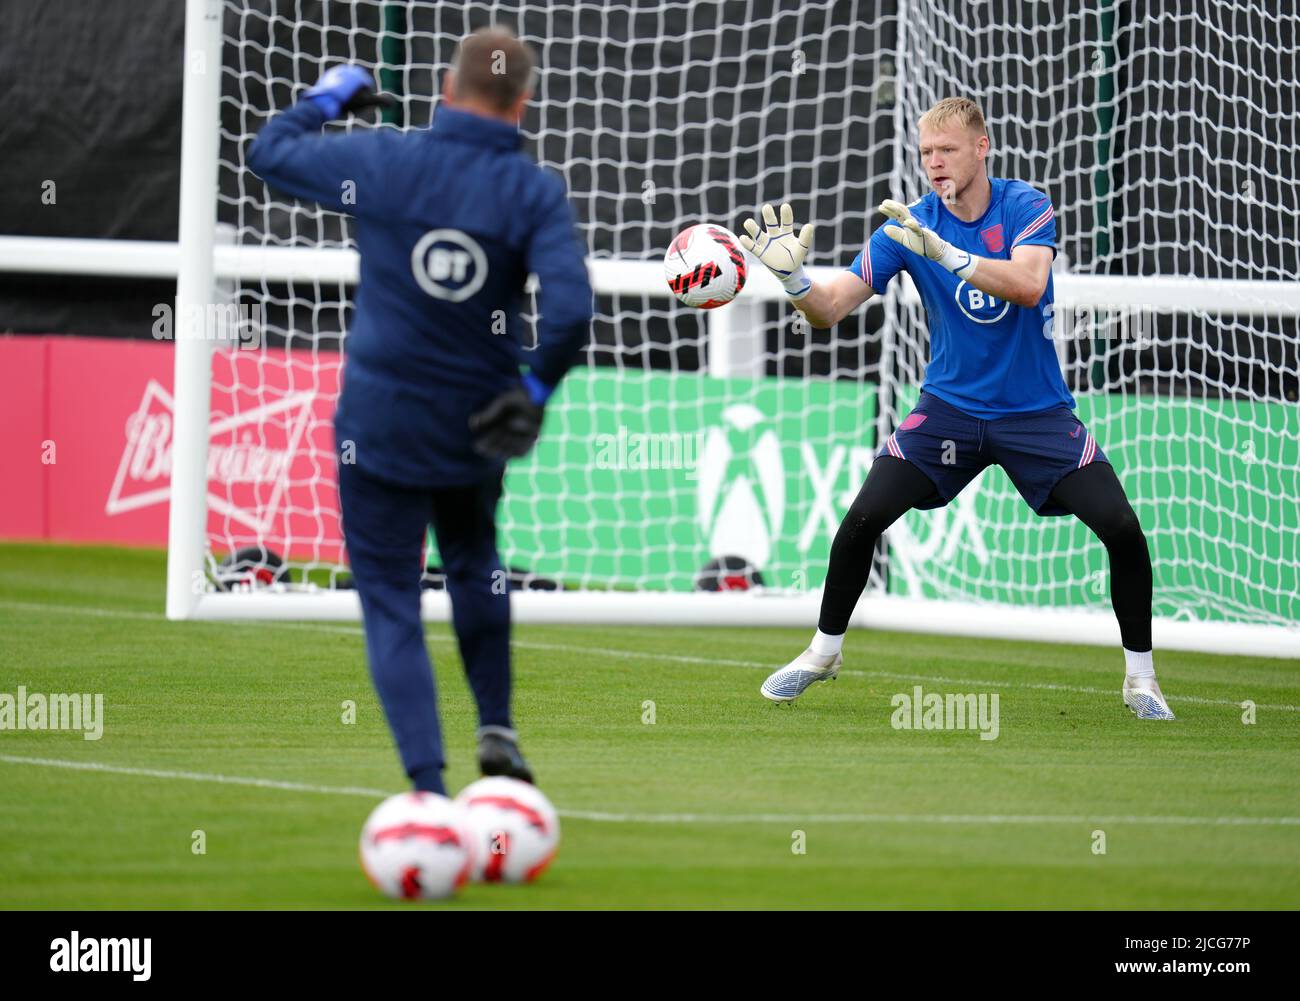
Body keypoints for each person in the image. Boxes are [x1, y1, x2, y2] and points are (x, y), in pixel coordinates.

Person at [740, 96, 1174, 720]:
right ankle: (822, 652)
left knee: (1122, 529)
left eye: (947, 151)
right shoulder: (905, 224)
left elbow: (1027, 286)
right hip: (948, 412)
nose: (936, 164)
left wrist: (945, 254)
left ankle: (1141, 680)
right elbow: (832, 309)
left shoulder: (1025, 205)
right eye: (926, 154)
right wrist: (795, 282)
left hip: (1035, 416)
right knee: (863, 516)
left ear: (982, 148)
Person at [248, 26, 594, 792]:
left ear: (445, 86)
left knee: (390, 598)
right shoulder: (532, 191)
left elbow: (267, 152)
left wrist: (334, 92)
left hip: (377, 421)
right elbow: (571, 313)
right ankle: (497, 727)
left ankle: (427, 787)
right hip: (474, 425)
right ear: (523, 101)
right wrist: (533, 392)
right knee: (475, 566)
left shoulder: (383, 159)